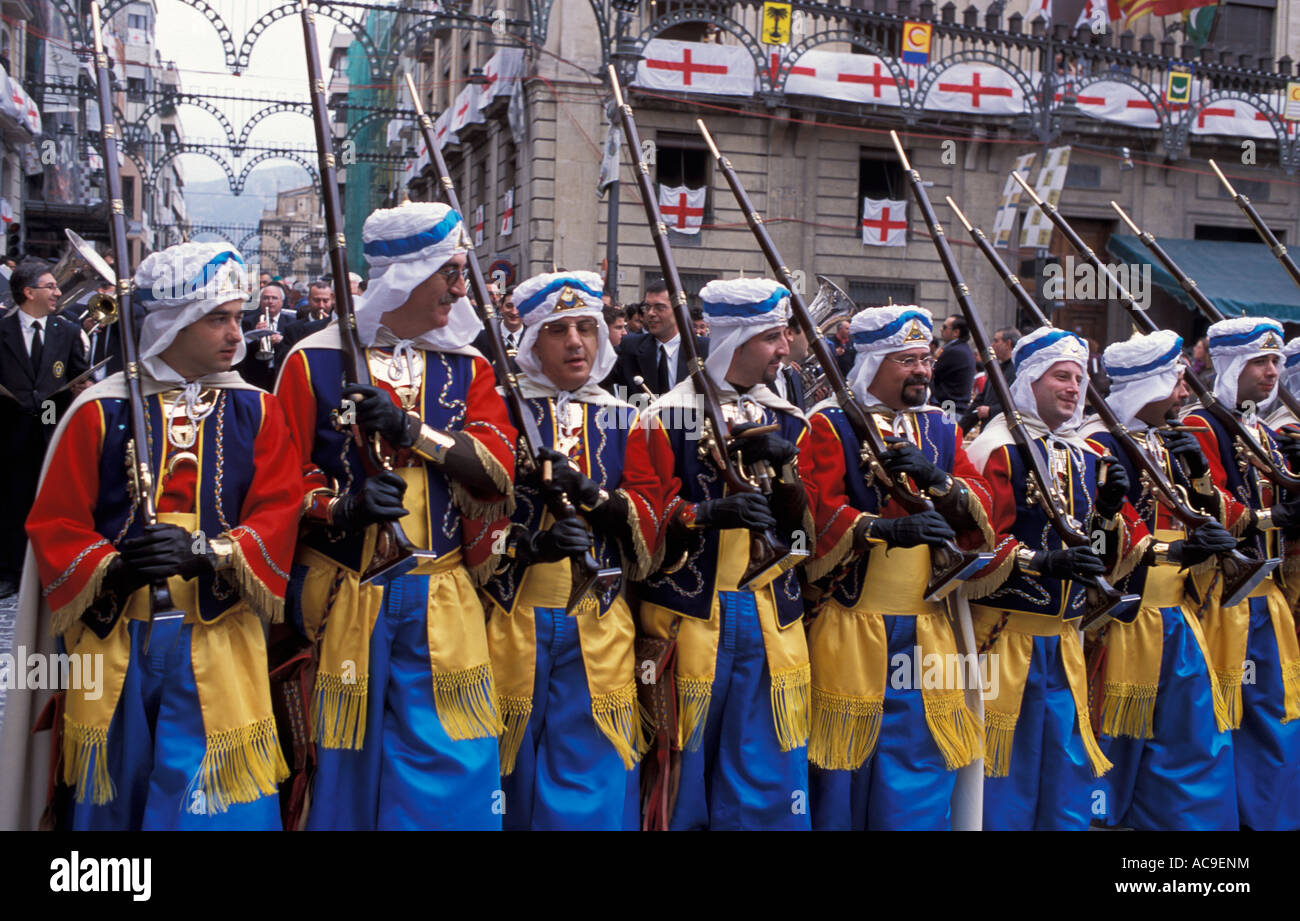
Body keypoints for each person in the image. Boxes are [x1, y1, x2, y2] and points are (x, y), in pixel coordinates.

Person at [4, 241, 301, 830]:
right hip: (117, 645)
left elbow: (280, 509)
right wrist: (111, 566)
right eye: (218, 318)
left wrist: (209, 551)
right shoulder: (98, 411)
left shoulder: (258, 412)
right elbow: (56, 522)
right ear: (173, 323)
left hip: (219, 640)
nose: (234, 335)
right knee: (114, 803)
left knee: (220, 807)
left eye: (238, 318)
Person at [276, 201, 518, 830]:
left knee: (454, 763)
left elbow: (496, 469)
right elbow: (277, 484)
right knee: (343, 767)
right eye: (452, 273)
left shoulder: (472, 365)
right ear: (409, 276)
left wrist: (413, 430)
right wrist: (341, 507)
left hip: (444, 595)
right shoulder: (313, 360)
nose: (463, 289)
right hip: (344, 597)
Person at [623, 277, 812, 830]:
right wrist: (700, 516)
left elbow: (808, 540)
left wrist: (786, 477)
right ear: (737, 341)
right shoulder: (662, 417)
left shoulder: (790, 419)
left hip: (772, 620)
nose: (784, 349)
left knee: (767, 776)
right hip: (688, 622)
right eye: (772, 337)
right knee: (680, 777)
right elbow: (645, 532)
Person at [481, 271, 661, 829]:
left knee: (592, 769)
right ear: (531, 340)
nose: (577, 341)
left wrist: (602, 502)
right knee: (504, 773)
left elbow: (650, 518)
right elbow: (466, 515)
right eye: (558, 330)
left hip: (599, 622)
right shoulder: (500, 412)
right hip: (507, 616)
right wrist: (529, 545)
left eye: (587, 327)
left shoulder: (626, 416)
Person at [804, 305, 994, 830]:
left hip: (930, 623)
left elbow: (981, 504)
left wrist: (940, 480)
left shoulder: (939, 426)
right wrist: (881, 529)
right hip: (853, 619)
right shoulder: (830, 424)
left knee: (921, 756)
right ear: (875, 364)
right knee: (844, 763)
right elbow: (815, 512)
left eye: (926, 358)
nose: (922, 371)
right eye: (907, 360)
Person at [965, 327, 1149, 830]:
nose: (1074, 387)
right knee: (1004, 777)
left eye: (1080, 378)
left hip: (1065, 642)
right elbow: (973, 547)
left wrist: (1109, 517)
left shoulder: (1086, 456)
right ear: (1029, 381)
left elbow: (1098, 557)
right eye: (1061, 376)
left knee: (1064, 774)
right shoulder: (998, 450)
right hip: (1005, 638)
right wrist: (1037, 562)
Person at [1082, 330, 1238, 830]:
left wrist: (1197, 475)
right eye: (1174, 384)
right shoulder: (1098, 445)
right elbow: (1106, 538)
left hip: (1178, 618)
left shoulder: (1165, 442)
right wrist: (1181, 549)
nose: (1185, 394)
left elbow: (1208, 518)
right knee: (1111, 751)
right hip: (1122, 623)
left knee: (1191, 745)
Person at [1180, 317, 1300, 831]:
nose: (1271, 372)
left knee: (1273, 713)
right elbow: (1204, 507)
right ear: (1232, 365)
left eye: (1275, 361)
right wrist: (1276, 515)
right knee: (1220, 717)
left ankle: (1270, 819)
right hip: (1218, 597)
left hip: (1266, 595)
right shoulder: (1201, 426)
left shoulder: (1264, 431)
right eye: (1259, 361)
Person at [0, 260, 91, 598]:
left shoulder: (65, 330)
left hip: (50, 421)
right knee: (11, 500)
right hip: (9, 426)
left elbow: (76, 374)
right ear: (28, 292)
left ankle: (46, 569)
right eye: (50, 286)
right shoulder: (3, 330)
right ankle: (10, 572)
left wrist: (84, 386)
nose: (57, 292)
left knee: (49, 499)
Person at [606, 279, 709, 399]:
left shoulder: (703, 350)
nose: (650, 313)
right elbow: (597, 380)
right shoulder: (628, 349)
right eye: (647, 307)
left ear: (679, 311)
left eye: (659, 308)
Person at [959, 327, 1018, 434]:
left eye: (996, 341)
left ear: (1008, 344)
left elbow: (1018, 405)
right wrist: (960, 430)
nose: (992, 345)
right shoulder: (997, 368)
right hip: (989, 429)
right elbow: (981, 399)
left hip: (1005, 433)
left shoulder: (1018, 371)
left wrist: (991, 411)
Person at [236, 283, 290, 391]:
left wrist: (280, 342)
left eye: (274, 298)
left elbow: (292, 347)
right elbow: (242, 351)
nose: (270, 301)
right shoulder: (248, 321)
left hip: (281, 374)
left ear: (281, 302)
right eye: (266, 298)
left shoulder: (291, 322)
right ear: (260, 301)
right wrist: (256, 336)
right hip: (257, 375)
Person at [471, 286, 523, 374]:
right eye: (509, 306)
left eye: (519, 306)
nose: (514, 312)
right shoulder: (482, 338)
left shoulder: (535, 339)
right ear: (501, 309)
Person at [932, 314, 975, 417]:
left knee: (945, 433)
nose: (941, 329)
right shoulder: (960, 349)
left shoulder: (954, 351)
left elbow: (933, 374)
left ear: (956, 332)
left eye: (945, 327)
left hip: (949, 411)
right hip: (953, 409)